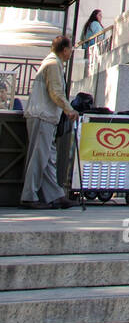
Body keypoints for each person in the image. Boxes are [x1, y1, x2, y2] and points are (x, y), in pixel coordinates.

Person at [21, 35, 78, 209]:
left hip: (46, 117)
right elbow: (55, 92)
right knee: (39, 158)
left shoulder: (53, 63)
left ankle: (55, 195)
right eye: (70, 50)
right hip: (42, 116)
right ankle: (29, 197)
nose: (71, 54)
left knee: (48, 158)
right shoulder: (53, 64)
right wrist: (69, 109)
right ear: (65, 50)